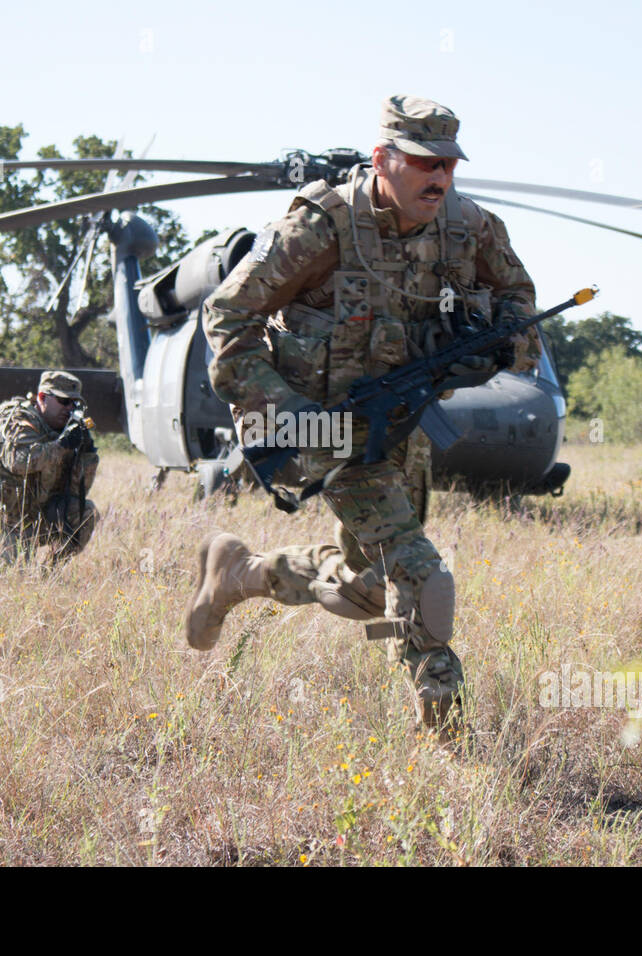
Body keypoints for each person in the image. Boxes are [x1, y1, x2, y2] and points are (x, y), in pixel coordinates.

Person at [187, 95, 540, 733]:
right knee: (421, 574)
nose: (440, 178)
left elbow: (519, 297)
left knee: (367, 586)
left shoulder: (469, 228)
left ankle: (239, 575)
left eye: (450, 165)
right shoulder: (322, 227)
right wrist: (285, 412)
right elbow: (227, 313)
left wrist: (498, 339)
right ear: (383, 159)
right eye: (425, 162)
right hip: (320, 422)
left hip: (403, 425)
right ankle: (453, 750)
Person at [0, 370, 99, 569]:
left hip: (26, 517)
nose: (69, 408)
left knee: (85, 512)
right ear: (42, 398)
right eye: (63, 401)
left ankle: (48, 575)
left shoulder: (64, 430)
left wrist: (87, 454)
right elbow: (19, 461)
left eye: (74, 403)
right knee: (4, 577)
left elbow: (77, 492)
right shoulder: (17, 420)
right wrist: (62, 446)